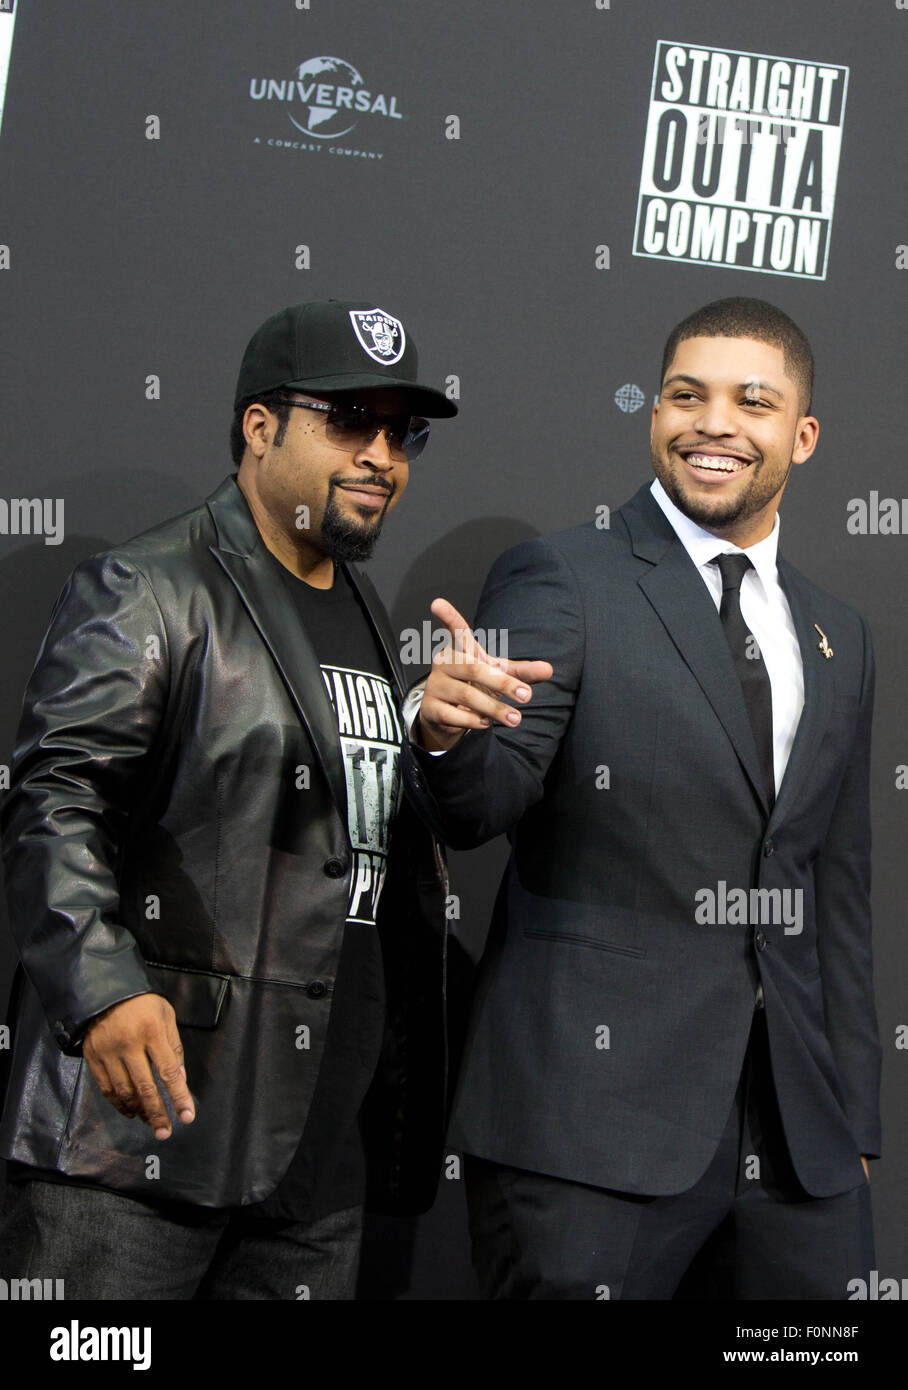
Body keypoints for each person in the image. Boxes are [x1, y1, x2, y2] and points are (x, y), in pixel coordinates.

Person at [402, 296, 880, 1300]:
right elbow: (483, 801)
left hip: (796, 1153)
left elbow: (834, 893)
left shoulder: (838, 634)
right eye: (684, 395)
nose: (713, 422)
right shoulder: (564, 577)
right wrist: (443, 734)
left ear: (800, 433)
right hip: (587, 1130)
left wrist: (853, 1124)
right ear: (650, 413)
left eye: (750, 400)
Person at [0, 299, 456, 1300]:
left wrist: (426, 740)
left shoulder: (363, 611)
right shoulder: (148, 586)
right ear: (259, 426)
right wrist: (102, 987)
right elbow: (54, 802)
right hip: (146, 1144)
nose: (382, 453)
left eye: (401, 431)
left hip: (316, 1155)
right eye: (348, 420)